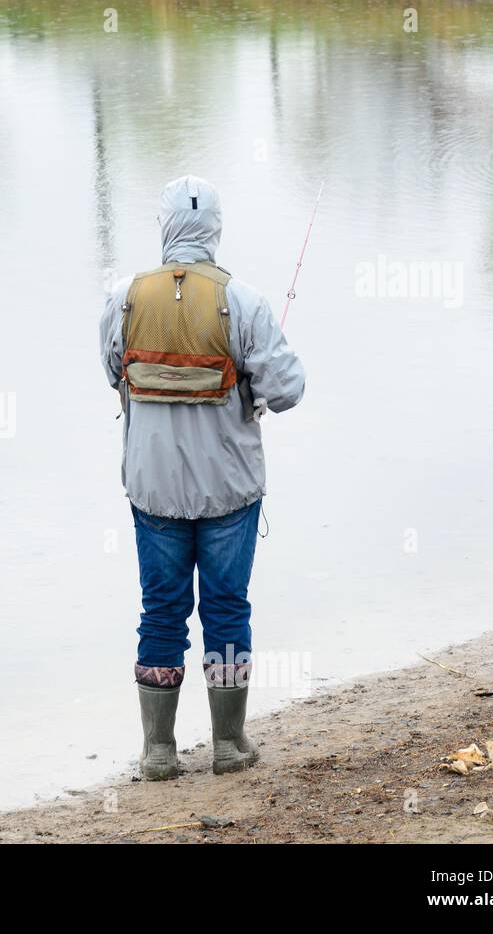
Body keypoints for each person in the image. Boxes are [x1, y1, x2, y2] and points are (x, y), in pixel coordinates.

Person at [98, 176, 306, 779]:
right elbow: (288, 391)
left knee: (161, 611)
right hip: (229, 491)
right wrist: (250, 390)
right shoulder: (244, 301)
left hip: (154, 488)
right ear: (214, 230)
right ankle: (228, 746)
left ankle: (159, 753)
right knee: (225, 608)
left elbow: (112, 369)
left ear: (164, 227)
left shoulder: (124, 297)